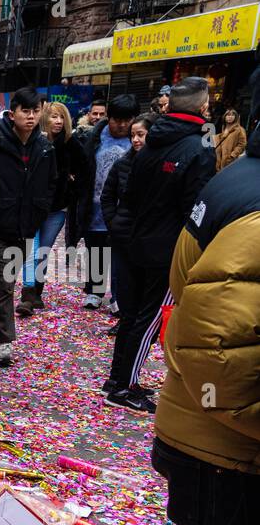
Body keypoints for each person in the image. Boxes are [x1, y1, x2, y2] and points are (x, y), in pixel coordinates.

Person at [147, 119, 260, 525]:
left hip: (215, 441)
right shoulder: (252, 205)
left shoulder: (237, 185)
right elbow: (216, 350)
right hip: (227, 452)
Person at [104, 77, 215, 413]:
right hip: (166, 248)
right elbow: (196, 206)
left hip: (136, 240)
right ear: (202, 106)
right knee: (148, 319)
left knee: (133, 315)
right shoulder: (198, 147)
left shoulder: (152, 141)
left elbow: (132, 195)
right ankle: (124, 387)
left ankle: (118, 378)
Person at [0, 87, 55, 367]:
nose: (31, 117)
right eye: (25, 111)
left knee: (3, 281)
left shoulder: (44, 146)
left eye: (35, 111)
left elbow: (50, 183)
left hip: (25, 224)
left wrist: (40, 210)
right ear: (13, 111)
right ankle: (6, 342)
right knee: (4, 284)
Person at [70, 93, 136, 310]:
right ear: (109, 117)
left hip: (123, 208)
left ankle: (118, 296)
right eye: (118, 120)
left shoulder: (137, 139)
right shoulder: (95, 137)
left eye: (127, 120)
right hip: (95, 206)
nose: (122, 125)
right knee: (96, 250)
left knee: (120, 256)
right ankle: (95, 291)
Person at [18, 101, 79, 315]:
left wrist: (71, 183)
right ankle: (28, 295)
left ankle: (36, 292)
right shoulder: (33, 142)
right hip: (33, 207)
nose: (59, 121)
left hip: (56, 209)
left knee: (42, 253)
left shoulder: (72, 143)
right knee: (30, 252)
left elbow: (85, 169)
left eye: (62, 117)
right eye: (54, 116)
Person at [99, 113, 155, 336]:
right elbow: (108, 196)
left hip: (148, 235)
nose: (135, 140)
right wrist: (113, 222)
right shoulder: (123, 163)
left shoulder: (159, 164)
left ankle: (139, 324)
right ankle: (125, 319)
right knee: (121, 281)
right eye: (133, 135)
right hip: (123, 233)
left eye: (140, 135)